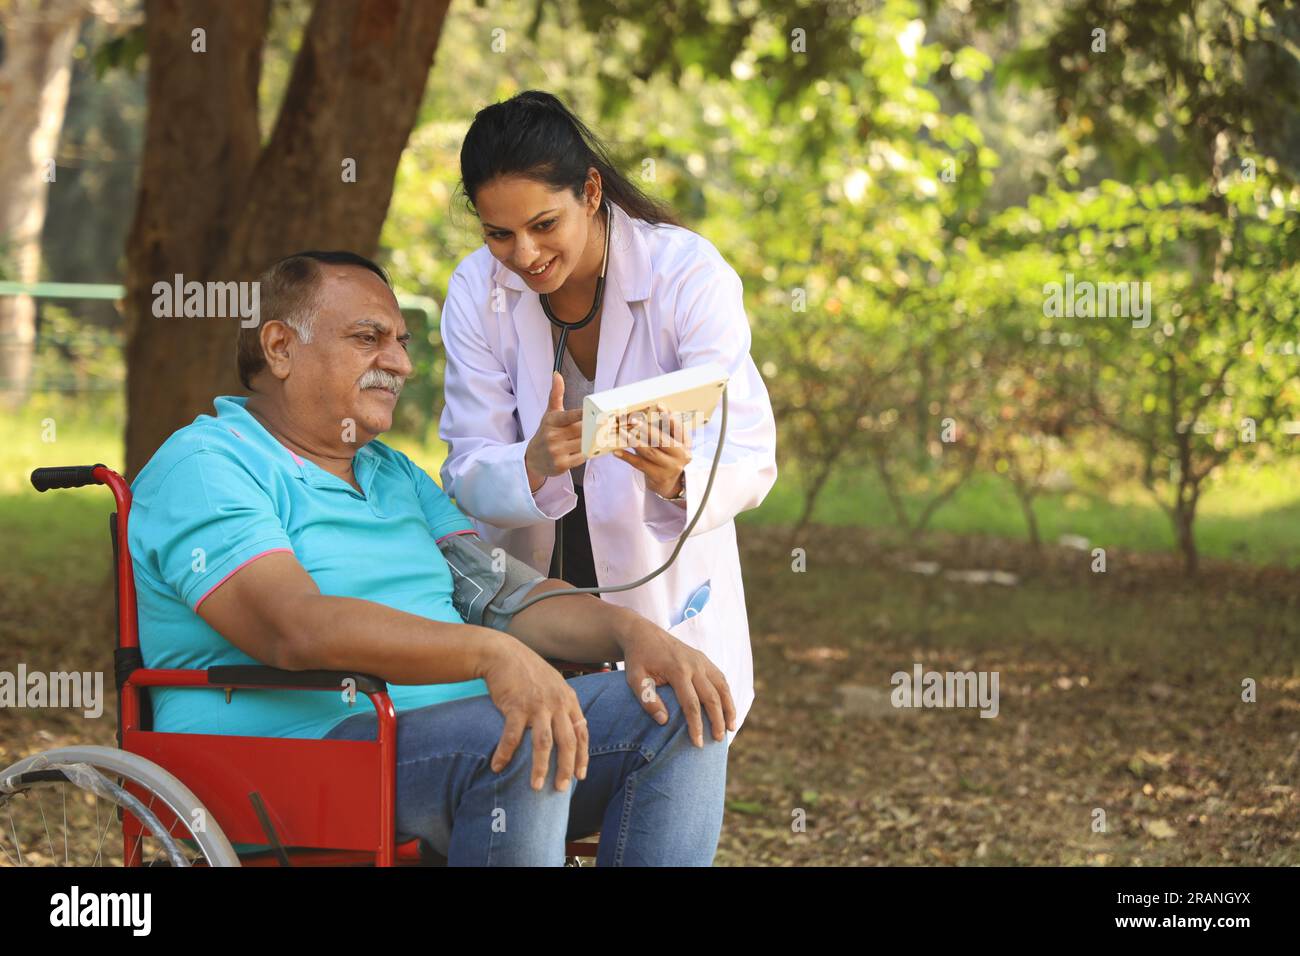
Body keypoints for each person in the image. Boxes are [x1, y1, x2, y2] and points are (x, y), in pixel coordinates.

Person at [127, 251, 734, 865]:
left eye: (400, 342)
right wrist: (491, 655)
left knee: (685, 704)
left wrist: (633, 633)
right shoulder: (207, 465)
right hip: (286, 759)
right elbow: (291, 628)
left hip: (442, 743)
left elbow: (499, 598)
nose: (399, 362)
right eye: (369, 338)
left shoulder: (391, 472)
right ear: (280, 348)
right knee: (520, 731)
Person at [439, 91, 778, 733]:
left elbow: (750, 451)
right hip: (534, 597)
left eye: (544, 225)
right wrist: (531, 464)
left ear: (591, 191)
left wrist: (679, 476)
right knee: (538, 777)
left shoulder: (686, 274)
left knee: (664, 759)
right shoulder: (474, 291)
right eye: (498, 234)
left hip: (663, 591)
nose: (525, 255)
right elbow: (466, 465)